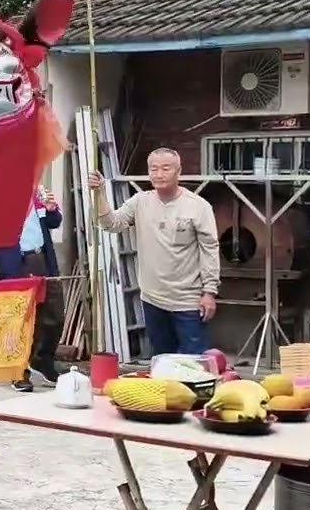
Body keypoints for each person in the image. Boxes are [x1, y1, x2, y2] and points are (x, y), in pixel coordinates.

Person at [87, 148, 220, 356]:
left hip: (188, 301)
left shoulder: (198, 206)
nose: (159, 174)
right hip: (152, 298)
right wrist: (99, 193)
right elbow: (111, 223)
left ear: (179, 171)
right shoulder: (140, 202)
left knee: (194, 363)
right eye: (154, 169)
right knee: (162, 360)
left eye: (166, 168)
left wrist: (209, 292)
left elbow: (210, 249)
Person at [0, 188, 65, 392]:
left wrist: (52, 210)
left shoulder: (38, 194)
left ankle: (42, 361)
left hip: (42, 259)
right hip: (13, 261)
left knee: (53, 314)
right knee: (17, 319)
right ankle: (17, 370)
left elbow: (54, 222)